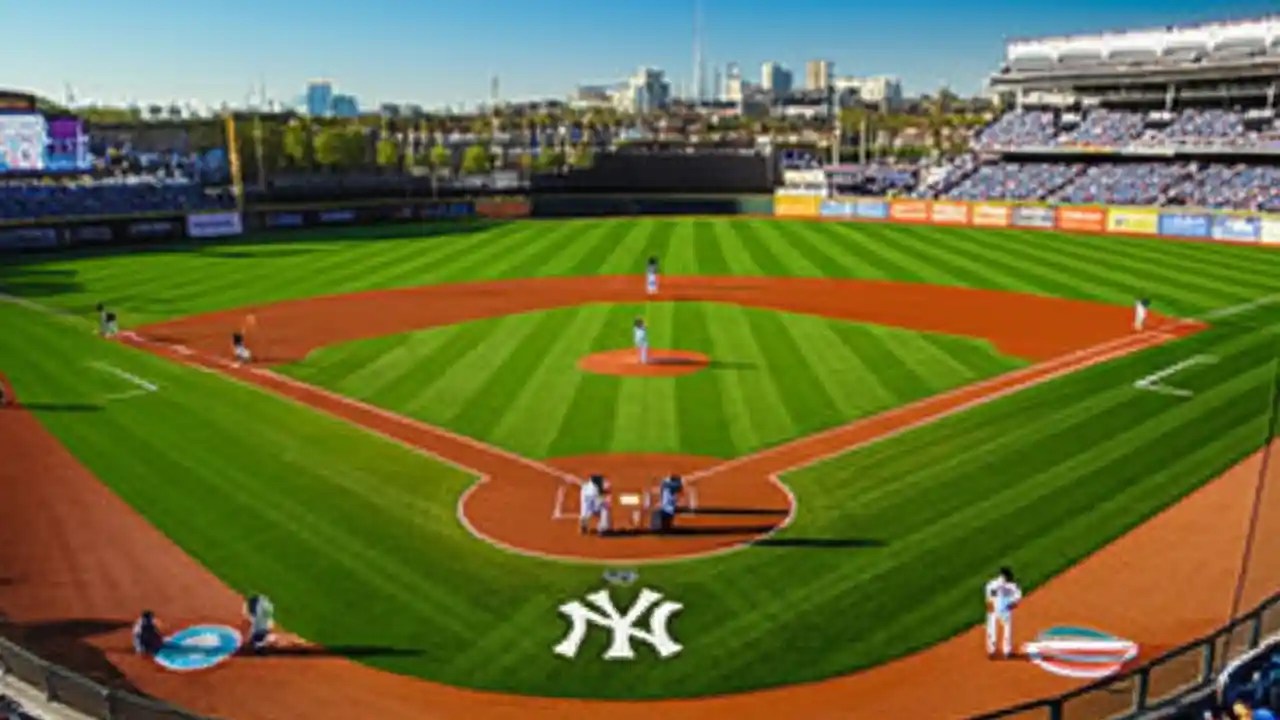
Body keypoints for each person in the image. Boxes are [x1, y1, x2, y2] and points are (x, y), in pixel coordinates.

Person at [985, 566, 1023, 659]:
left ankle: (992, 651)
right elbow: (1018, 596)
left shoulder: (992, 584)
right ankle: (1007, 651)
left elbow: (990, 597)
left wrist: (991, 609)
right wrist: (1013, 604)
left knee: (992, 628)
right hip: (1004, 608)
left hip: (995, 608)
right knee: (1007, 628)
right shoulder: (1012, 586)